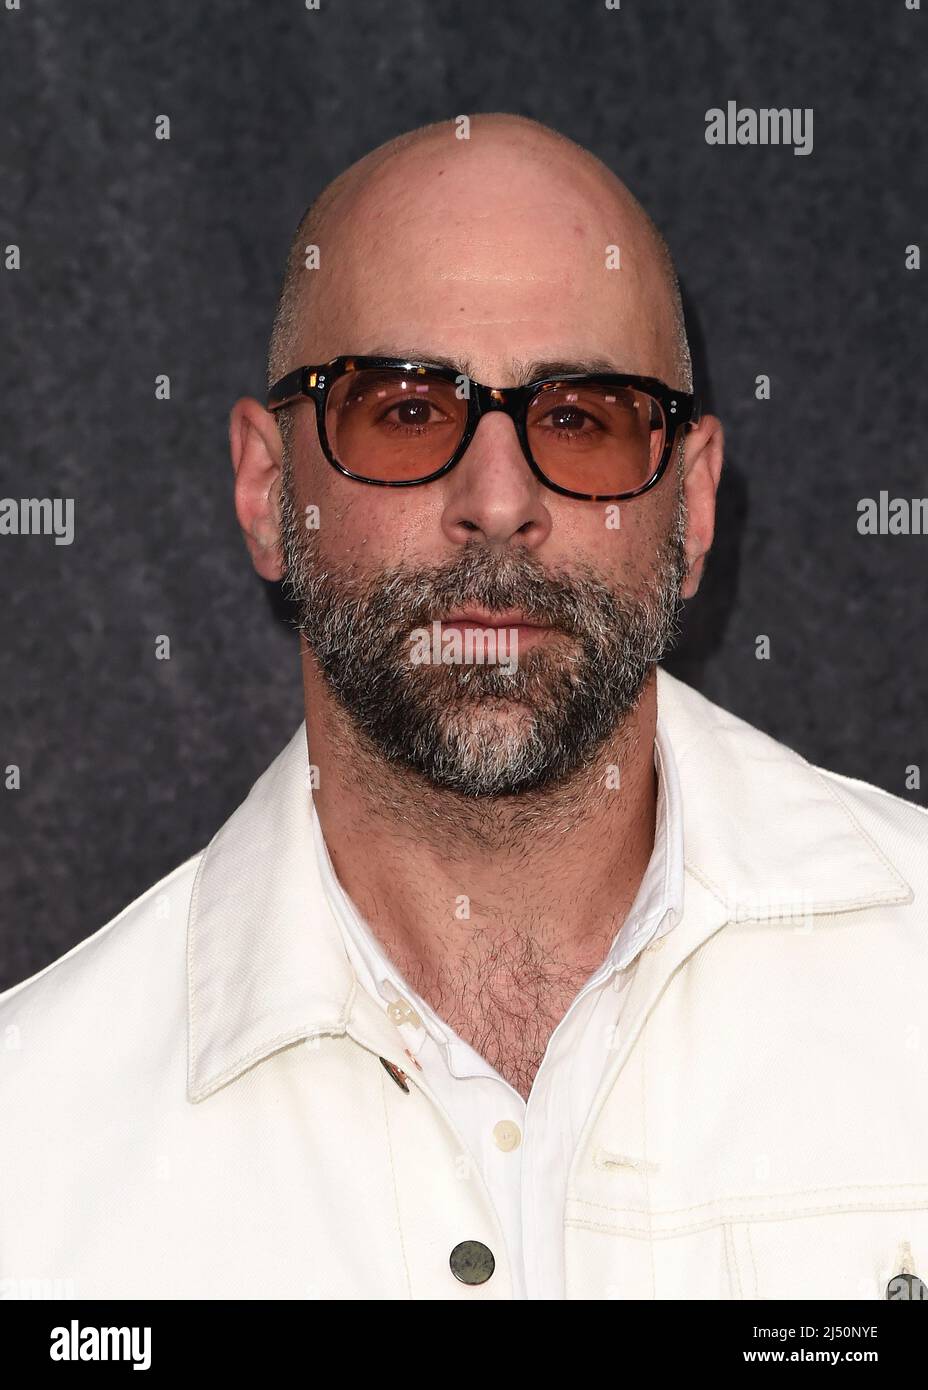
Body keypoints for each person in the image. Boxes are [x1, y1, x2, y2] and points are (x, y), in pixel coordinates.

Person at [2, 113, 927, 1303]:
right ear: (266, 486)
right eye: (404, 409)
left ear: (692, 506)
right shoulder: (36, 1157)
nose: (498, 501)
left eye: (582, 418)